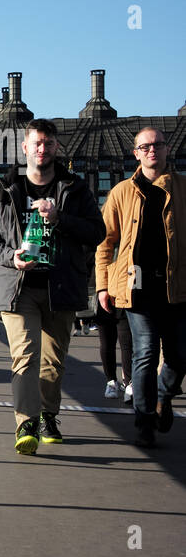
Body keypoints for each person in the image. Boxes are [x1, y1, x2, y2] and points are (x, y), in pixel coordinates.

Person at [0, 118, 105, 454]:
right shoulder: (3, 190)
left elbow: (96, 232)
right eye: (36, 144)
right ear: (25, 148)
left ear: (56, 147)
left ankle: (48, 416)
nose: (42, 149)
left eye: (48, 144)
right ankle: (25, 423)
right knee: (25, 357)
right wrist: (10, 256)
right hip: (17, 288)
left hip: (60, 286)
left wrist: (60, 218)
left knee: (53, 360)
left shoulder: (74, 189)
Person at [94, 126, 186, 447]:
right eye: (145, 147)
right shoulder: (121, 192)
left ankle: (163, 397)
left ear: (166, 149)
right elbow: (105, 243)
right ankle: (144, 418)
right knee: (145, 352)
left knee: (178, 357)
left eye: (157, 145)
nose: (151, 151)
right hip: (136, 287)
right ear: (136, 153)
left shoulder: (181, 187)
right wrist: (103, 285)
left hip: (176, 287)